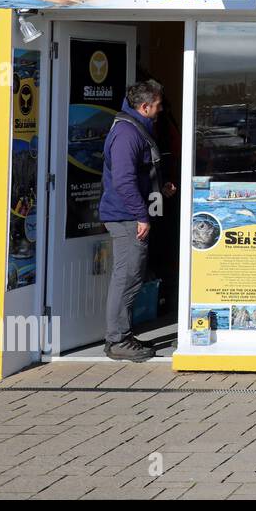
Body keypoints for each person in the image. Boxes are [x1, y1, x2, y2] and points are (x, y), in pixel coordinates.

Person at [98, 80, 177, 361]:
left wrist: (160, 188)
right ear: (144, 107)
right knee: (127, 276)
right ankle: (117, 340)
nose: (160, 109)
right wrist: (141, 215)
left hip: (131, 214)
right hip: (126, 217)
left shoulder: (136, 128)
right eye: (157, 105)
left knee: (130, 275)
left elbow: (139, 175)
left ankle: (122, 335)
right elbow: (123, 180)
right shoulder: (127, 134)